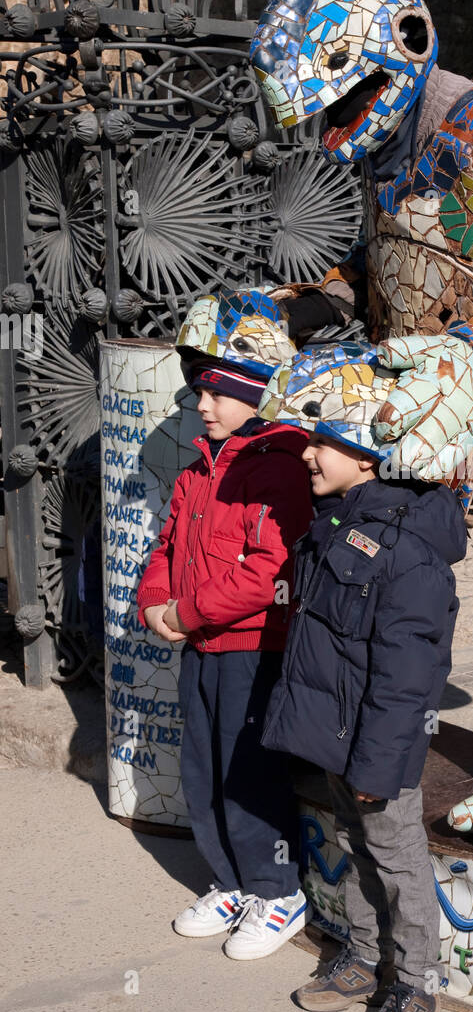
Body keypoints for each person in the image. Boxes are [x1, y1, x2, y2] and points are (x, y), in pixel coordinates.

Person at [259, 355, 467, 1012]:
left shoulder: (406, 551)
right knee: (354, 843)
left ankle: (416, 987)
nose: (308, 454)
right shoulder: (341, 519)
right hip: (337, 734)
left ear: (372, 458)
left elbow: (409, 675)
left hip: (376, 746)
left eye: (324, 442)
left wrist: (377, 763)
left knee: (398, 858)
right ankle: (364, 954)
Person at [137, 290, 312, 960]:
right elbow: (168, 546)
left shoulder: (278, 470)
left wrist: (186, 611)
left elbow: (268, 571)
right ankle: (232, 881)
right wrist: (155, 601)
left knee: (249, 772)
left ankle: (278, 890)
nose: (201, 405)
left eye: (215, 392)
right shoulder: (197, 471)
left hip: (251, 647)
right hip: (199, 646)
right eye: (199, 391)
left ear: (256, 394)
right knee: (203, 764)